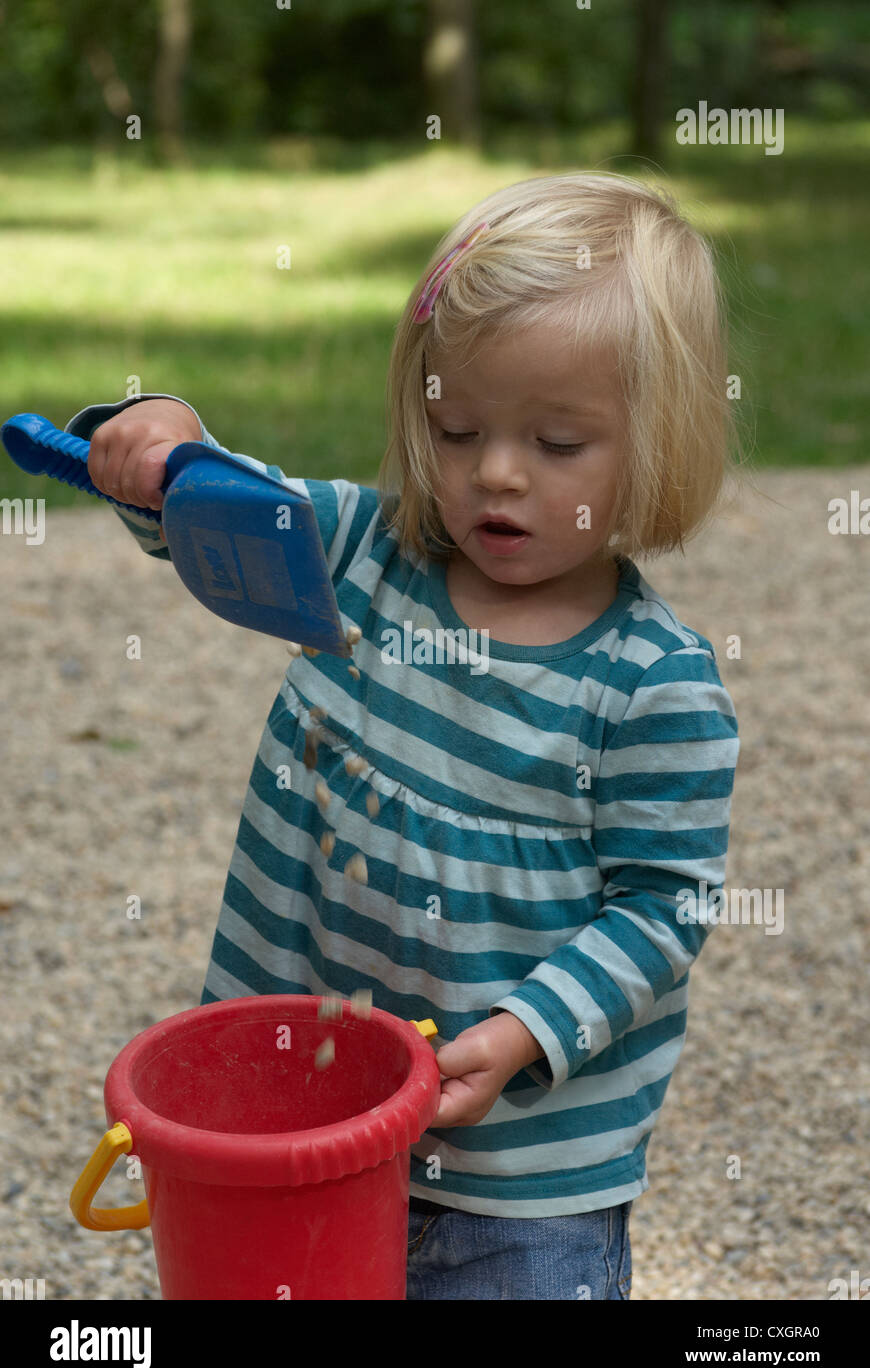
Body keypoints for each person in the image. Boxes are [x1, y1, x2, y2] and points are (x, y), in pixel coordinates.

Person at [67, 171, 744, 1301]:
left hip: (521, 1181)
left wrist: (530, 1027)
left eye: (558, 442)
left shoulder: (649, 686)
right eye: (457, 426)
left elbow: (666, 901)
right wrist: (160, 439)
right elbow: (210, 506)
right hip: (305, 1110)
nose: (496, 471)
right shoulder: (364, 559)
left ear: (656, 445)